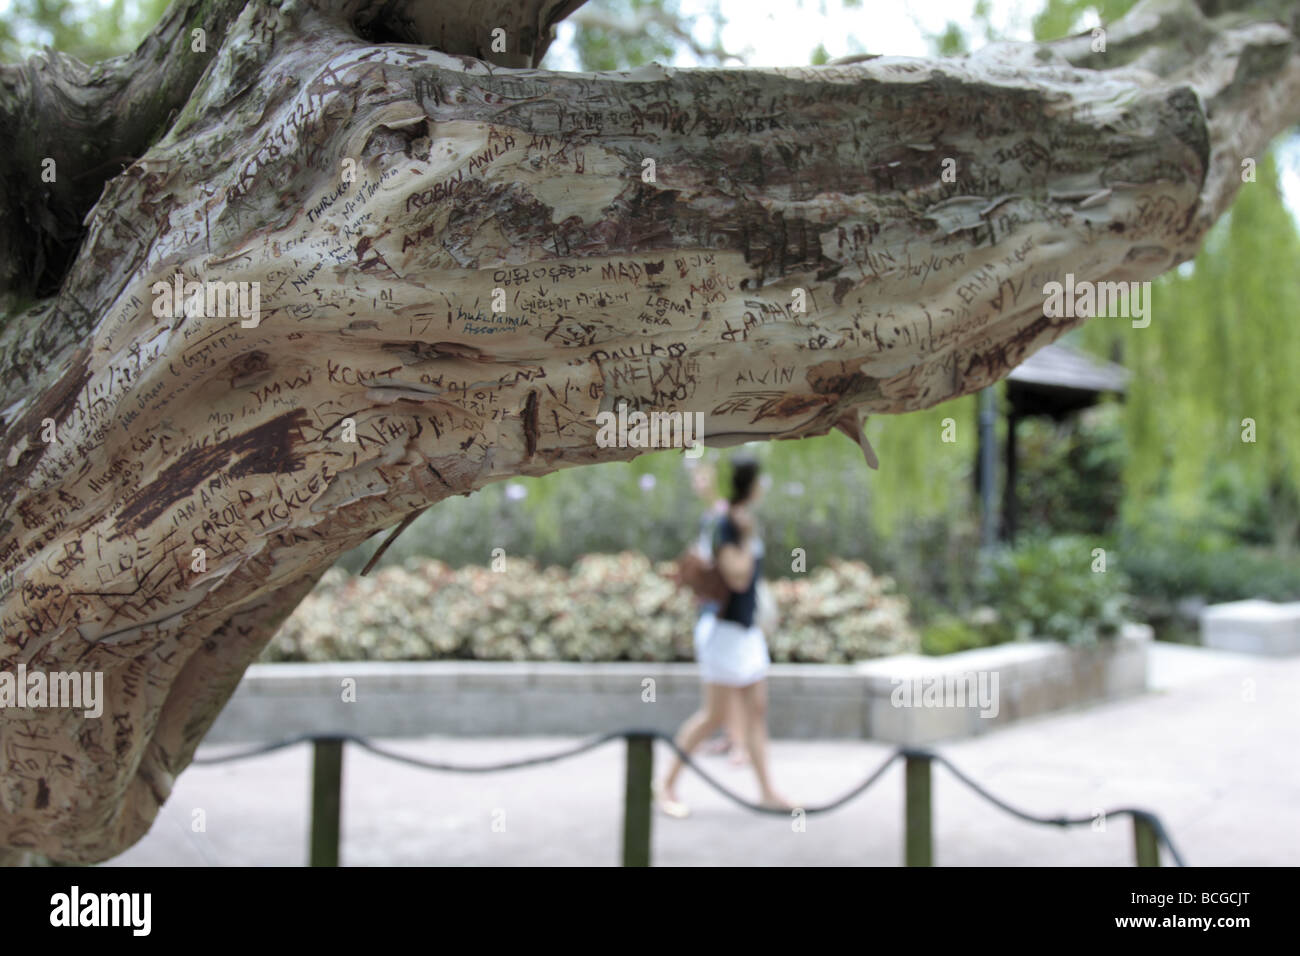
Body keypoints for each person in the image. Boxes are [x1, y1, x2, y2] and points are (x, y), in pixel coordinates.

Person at [657, 456, 790, 816]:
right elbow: (737, 577)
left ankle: (767, 791)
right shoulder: (728, 525)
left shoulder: (734, 518)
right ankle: (665, 785)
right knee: (713, 716)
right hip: (724, 632)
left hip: (745, 632)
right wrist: (746, 539)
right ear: (751, 483)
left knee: (756, 712)